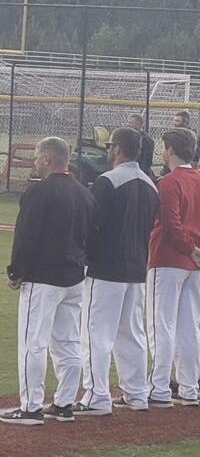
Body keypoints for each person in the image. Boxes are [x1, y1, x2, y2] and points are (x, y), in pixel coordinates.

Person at [2, 137, 94, 426]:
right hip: (74, 276)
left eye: (37, 157)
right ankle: (65, 403)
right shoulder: (84, 193)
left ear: (46, 159)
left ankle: (30, 408)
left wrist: (16, 271)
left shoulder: (38, 192)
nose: (34, 163)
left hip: (43, 278)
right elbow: (90, 236)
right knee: (68, 342)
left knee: (34, 342)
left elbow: (26, 236)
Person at [78, 128, 159, 416]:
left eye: (110, 145)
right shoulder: (151, 184)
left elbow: (93, 225)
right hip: (137, 267)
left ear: (117, 149)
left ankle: (96, 395)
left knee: (96, 332)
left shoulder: (107, 181)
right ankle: (137, 393)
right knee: (131, 333)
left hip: (105, 268)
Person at [147, 128, 200, 407]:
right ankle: (188, 387)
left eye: (165, 148)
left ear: (172, 150)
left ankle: (160, 387)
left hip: (168, 257)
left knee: (160, 324)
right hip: (194, 261)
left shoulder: (169, 182)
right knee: (188, 325)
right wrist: (195, 250)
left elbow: (172, 225)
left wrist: (188, 247)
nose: (163, 153)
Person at [160, 111, 200, 178]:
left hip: (183, 174)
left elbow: (195, 161)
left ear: (185, 123)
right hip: (170, 171)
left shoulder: (191, 138)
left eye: (177, 121)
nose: (174, 123)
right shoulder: (172, 135)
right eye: (174, 121)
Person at [127, 114, 156, 179]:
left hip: (139, 172)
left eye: (130, 123)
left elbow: (145, 161)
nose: (128, 125)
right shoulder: (128, 137)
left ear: (138, 124)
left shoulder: (146, 140)